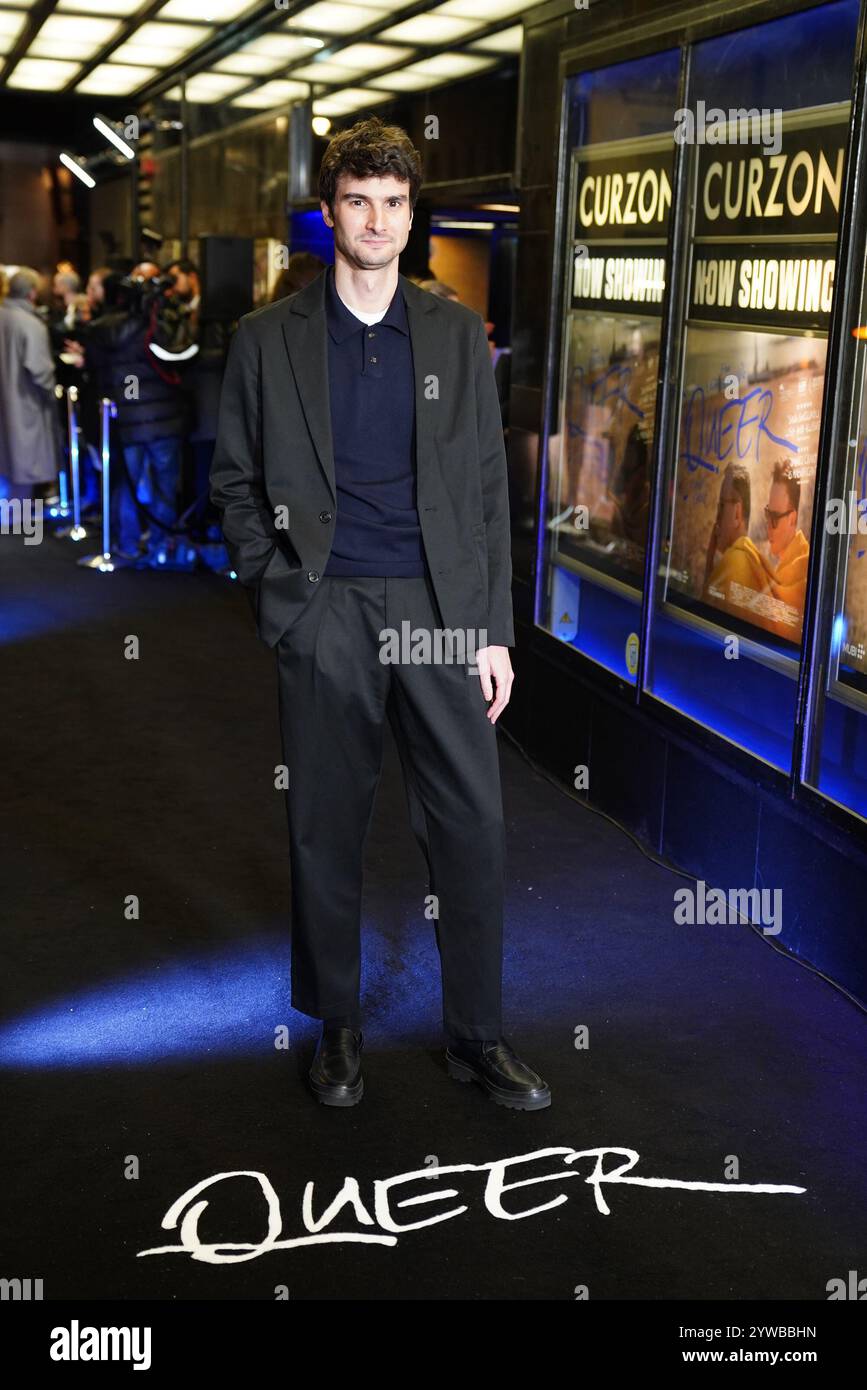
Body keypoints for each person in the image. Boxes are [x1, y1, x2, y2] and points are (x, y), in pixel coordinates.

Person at [210, 115, 550, 1111]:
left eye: (395, 202)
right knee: (325, 825)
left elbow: (488, 489)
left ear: (411, 214)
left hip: (442, 611)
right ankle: (339, 1028)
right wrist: (285, 603)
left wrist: (494, 630)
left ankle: (477, 1035)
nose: (378, 219)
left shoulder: (451, 332)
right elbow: (233, 483)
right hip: (329, 609)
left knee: (475, 825)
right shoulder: (269, 341)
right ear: (332, 212)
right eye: (359, 200)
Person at [0, 267, 61, 501]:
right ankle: (18, 522)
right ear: (32, 294)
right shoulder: (30, 324)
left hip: (10, 402)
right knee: (23, 465)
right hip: (25, 403)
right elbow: (40, 370)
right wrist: (50, 394)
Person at [702, 462, 769, 616]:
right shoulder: (752, 558)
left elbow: (704, 617)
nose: (717, 517)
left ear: (737, 515)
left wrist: (709, 576)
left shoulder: (731, 566)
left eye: (722, 506)